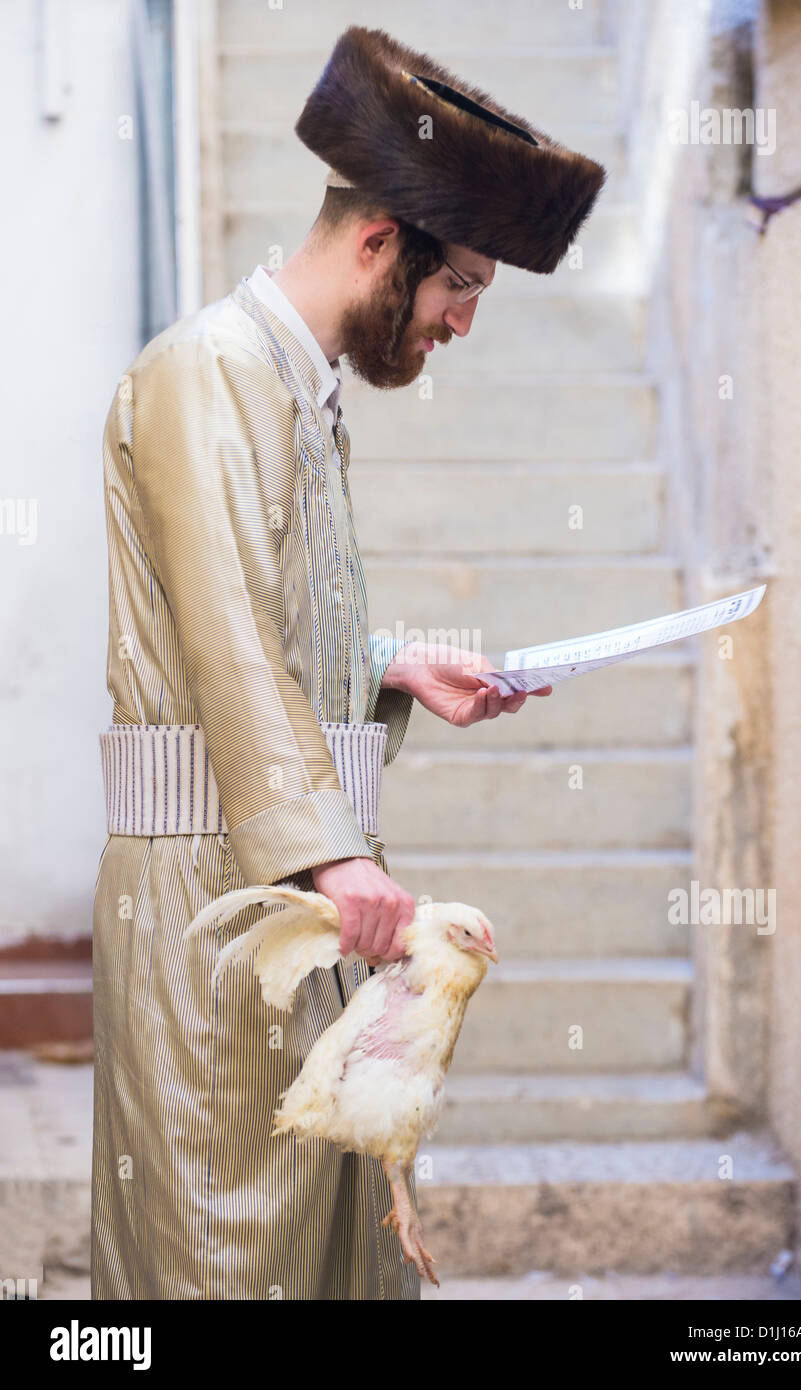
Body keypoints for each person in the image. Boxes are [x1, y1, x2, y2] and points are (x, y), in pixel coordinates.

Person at [91, 24, 605, 1301]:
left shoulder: (293, 386)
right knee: (224, 1254)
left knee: (328, 1253)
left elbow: (266, 625)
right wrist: (334, 846)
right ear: (381, 242)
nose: (461, 325)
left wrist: (389, 669)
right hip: (208, 911)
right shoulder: (206, 371)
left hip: (286, 891)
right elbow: (220, 638)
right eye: (462, 287)